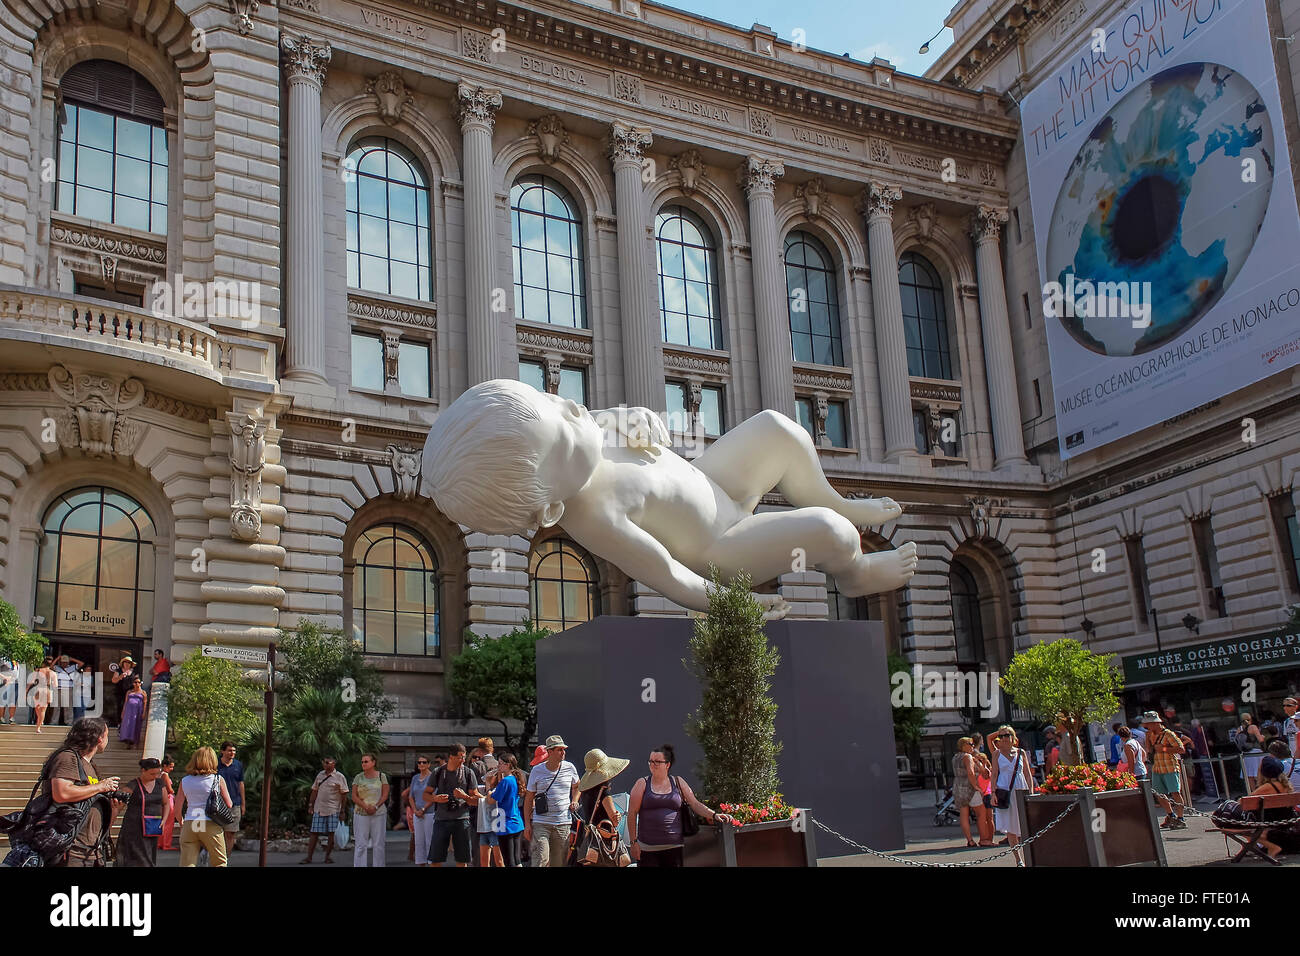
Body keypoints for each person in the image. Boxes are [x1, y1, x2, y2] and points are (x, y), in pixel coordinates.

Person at [422, 379, 919, 620]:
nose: (576, 408)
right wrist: (736, 606)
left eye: (557, 403)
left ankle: (838, 498)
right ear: (551, 507)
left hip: (714, 483)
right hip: (720, 546)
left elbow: (624, 417)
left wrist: (642, 418)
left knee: (779, 429)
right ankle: (856, 574)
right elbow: (669, 575)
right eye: (568, 427)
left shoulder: (584, 425)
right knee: (828, 533)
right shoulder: (593, 516)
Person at [626, 743, 732, 867]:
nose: (652, 765)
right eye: (650, 761)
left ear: (667, 765)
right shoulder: (642, 783)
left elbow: (695, 804)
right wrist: (633, 843)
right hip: (648, 849)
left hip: (674, 847)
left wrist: (714, 815)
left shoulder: (678, 782)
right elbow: (632, 813)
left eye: (657, 762)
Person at [38, 717, 121, 866]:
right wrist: (101, 786)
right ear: (99, 738)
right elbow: (62, 793)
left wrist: (113, 809)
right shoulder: (68, 757)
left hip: (90, 851)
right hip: (69, 850)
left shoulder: (90, 766)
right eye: (107, 735)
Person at [524, 734, 581, 867]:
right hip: (541, 823)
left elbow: (578, 786)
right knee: (541, 860)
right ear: (549, 752)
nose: (563, 752)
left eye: (564, 749)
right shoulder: (537, 771)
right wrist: (527, 824)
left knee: (558, 863)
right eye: (559, 749)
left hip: (563, 823)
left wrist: (575, 800)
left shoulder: (570, 767)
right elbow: (528, 798)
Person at [175, 745, 232, 867]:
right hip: (209, 823)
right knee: (219, 862)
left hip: (191, 822)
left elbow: (177, 808)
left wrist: (181, 822)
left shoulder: (185, 781)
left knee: (187, 862)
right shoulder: (217, 779)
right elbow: (229, 804)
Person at [424, 742, 480, 867]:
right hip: (441, 819)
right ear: (451, 757)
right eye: (460, 757)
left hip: (462, 820)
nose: (463, 760)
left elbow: (476, 800)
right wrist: (436, 798)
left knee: (462, 859)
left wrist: (464, 797)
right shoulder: (438, 772)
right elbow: (425, 795)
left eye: (464, 757)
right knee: (435, 859)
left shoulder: (468, 773)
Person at [572, 749, 629, 865]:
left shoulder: (586, 790)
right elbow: (614, 819)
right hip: (603, 840)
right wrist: (617, 816)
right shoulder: (604, 792)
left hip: (590, 839)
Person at [990, 725, 1034, 865]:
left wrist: (1031, 791)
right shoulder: (996, 754)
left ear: (1013, 737)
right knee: (1011, 827)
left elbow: (1027, 774)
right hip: (1005, 791)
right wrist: (993, 793)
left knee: (1025, 824)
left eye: (1006, 735)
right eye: (1001, 736)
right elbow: (994, 775)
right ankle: (1018, 859)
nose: (1003, 738)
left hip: (1020, 789)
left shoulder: (1021, 753)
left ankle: (1029, 857)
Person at [115, 758, 166, 867]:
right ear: (143, 770)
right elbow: (118, 805)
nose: (155, 776)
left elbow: (165, 803)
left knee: (149, 855)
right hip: (134, 827)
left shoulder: (160, 783)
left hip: (152, 825)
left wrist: (164, 819)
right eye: (152, 774)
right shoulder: (133, 785)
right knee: (137, 858)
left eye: (158, 773)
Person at [1140, 711, 1186, 829]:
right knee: (1159, 794)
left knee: (1175, 792)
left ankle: (1180, 818)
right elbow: (1150, 751)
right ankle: (1170, 814)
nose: (1147, 727)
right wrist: (1147, 740)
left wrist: (1164, 749)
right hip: (1157, 768)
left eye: (1148, 724)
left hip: (1169, 767)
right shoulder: (1150, 734)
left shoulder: (1168, 734)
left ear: (1155, 723)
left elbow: (1181, 749)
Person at [303, 756, 349, 864]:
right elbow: (314, 791)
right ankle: (309, 857)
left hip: (333, 809)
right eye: (324, 762)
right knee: (314, 832)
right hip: (319, 808)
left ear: (334, 764)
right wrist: (310, 805)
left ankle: (327, 857)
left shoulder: (340, 777)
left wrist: (342, 811)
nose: (325, 764)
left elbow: (344, 795)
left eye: (328, 762)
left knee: (331, 834)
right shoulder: (320, 775)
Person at [486, 751, 526, 867]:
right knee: (517, 860)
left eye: (500, 763)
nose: (498, 766)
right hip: (517, 822)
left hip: (505, 823)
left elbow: (491, 800)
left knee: (509, 861)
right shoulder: (514, 779)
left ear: (507, 765)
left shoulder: (505, 781)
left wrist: (488, 785)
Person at [352, 752, 389, 867]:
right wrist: (365, 806)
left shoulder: (381, 776)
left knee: (378, 844)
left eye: (366, 761)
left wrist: (375, 806)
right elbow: (354, 796)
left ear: (373, 763)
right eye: (362, 762)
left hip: (379, 813)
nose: (363, 764)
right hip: (361, 813)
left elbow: (385, 795)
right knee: (360, 844)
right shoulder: (358, 777)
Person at [215, 740, 245, 856]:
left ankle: (226, 858)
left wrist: (243, 804)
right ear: (223, 751)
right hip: (217, 804)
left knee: (230, 833)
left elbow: (241, 784)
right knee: (217, 833)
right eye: (229, 750)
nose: (232, 752)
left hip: (234, 803)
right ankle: (217, 857)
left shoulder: (238, 765)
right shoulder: (215, 764)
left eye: (234, 750)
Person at [952, 737, 982, 848]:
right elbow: (970, 772)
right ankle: (985, 838)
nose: (973, 746)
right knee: (981, 813)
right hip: (969, 787)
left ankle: (970, 840)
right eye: (970, 744)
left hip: (958, 786)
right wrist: (976, 786)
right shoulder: (967, 756)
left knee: (964, 815)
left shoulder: (955, 757)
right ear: (964, 745)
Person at [408, 755, 435, 866]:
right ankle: (421, 864)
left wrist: (423, 809)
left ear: (429, 764)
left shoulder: (432, 777)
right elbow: (411, 796)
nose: (421, 764)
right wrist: (415, 810)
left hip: (429, 813)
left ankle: (432, 863)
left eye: (424, 762)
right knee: (418, 841)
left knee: (429, 840)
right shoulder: (415, 778)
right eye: (419, 762)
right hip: (417, 813)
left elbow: (434, 796)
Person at [970, 732, 995, 846]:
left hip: (983, 790)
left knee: (985, 817)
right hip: (984, 791)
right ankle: (987, 839)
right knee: (986, 817)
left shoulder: (973, 755)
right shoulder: (976, 754)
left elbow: (986, 773)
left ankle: (987, 839)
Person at [1235, 711, 1266, 790]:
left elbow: (1236, 741)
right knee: (1258, 774)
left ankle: (1253, 793)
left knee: (1249, 776)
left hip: (1245, 754)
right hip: (1255, 752)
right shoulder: (1253, 727)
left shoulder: (1239, 729)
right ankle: (1261, 791)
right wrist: (1263, 736)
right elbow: (1260, 740)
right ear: (1250, 719)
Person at [51, 654, 81, 726]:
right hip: (59, 689)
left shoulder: (72, 667)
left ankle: (69, 722)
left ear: (68, 662)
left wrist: (72, 659)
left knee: (68, 707)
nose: (64, 663)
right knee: (56, 707)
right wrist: (57, 658)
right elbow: (51, 666)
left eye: (66, 662)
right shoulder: (57, 668)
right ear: (60, 662)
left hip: (68, 689)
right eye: (63, 662)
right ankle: (54, 722)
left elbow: (81, 663)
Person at [119, 676, 148, 748]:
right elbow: (126, 702)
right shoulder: (129, 692)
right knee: (128, 725)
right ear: (133, 683)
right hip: (129, 711)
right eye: (135, 682)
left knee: (136, 725)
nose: (137, 684)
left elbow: (145, 703)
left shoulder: (143, 693)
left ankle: (136, 743)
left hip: (138, 711)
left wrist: (144, 713)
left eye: (139, 682)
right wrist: (123, 712)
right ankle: (128, 742)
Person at [110, 656, 139, 728]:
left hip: (130, 694)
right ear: (123, 663)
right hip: (120, 693)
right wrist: (120, 677)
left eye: (129, 662)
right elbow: (113, 680)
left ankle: (128, 725)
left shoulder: (134, 672)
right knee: (120, 708)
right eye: (125, 662)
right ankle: (120, 724)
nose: (127, 664)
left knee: (129, 709)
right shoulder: (118, 671)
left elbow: (137, 682)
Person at [27, 656, 54, 733]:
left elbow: (31, 681)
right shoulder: (51, 672)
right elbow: (52, 684)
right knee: (43, 710)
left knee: (37, 708)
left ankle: (39, 723)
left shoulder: (38, 671)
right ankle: (38, 726)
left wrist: (26, 690)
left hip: (37, 690)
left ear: (42, 663)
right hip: (46, 690)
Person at [158, 754, 178, 851]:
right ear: (165, 766)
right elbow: (170, 790)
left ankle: (160, 842)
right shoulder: (165, 775)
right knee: (169, 823)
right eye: (170, 766)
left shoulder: (160, 774)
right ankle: (166, 844)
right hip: (168, 799)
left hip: (162, 799)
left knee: (163, 822)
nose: (171, 769)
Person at [0, 655, 17, 724]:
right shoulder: (3, 658)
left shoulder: (18, 660)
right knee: (3, 701)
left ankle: (11, 718)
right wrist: (4, 677)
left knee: (13, 702)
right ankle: (1, 717)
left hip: (15, 683)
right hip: (5, 683)